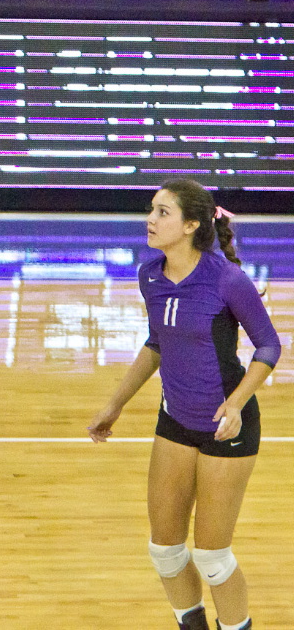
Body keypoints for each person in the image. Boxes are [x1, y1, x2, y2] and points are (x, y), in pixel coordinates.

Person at [88, 178, 280, 630]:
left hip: (225, 427)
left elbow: (269, 347)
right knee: (166, 551)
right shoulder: (149, 275)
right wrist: (115, 404)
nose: (150, 220)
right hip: (174, 420)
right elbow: (157, 342)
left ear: (192, 224)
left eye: (162, 213)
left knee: (212, 557)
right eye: (152, 210)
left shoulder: (227, 280)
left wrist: (235, 404)